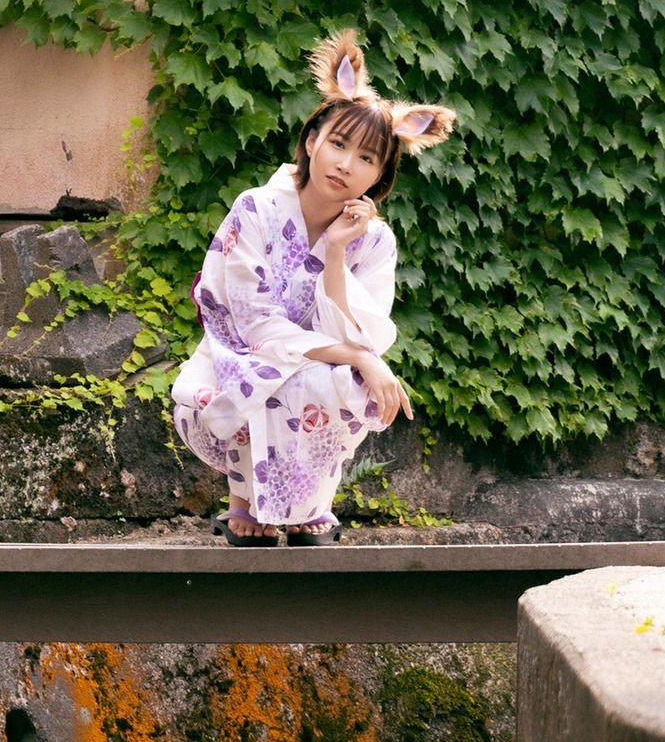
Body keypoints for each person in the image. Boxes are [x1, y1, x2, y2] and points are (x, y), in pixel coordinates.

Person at [172, 30, 455, 546]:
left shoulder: (375, 241)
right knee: (266, 376)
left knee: (339, 381)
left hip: (323, 363)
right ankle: (244, 500)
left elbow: (360, 334)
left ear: (380, 176)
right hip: (242, 353)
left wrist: (336, 253)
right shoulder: (255, 208)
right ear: (311, 142)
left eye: (367, 158)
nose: (346, 164)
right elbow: (255, 325)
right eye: (338, 144)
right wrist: (361, 357)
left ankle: (312, 504)